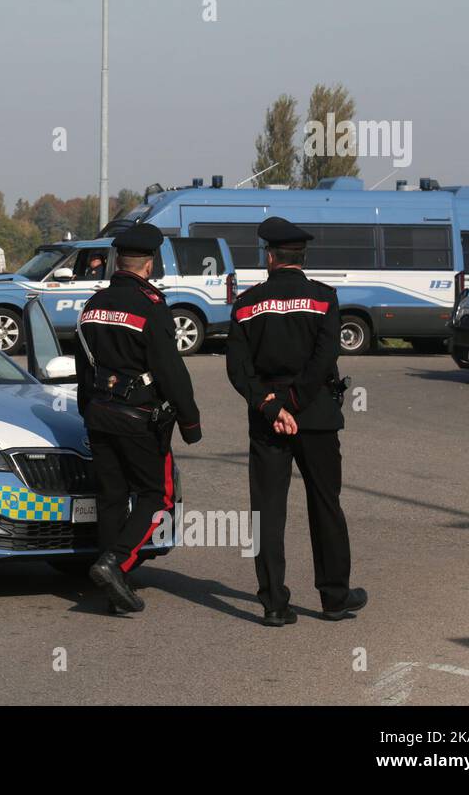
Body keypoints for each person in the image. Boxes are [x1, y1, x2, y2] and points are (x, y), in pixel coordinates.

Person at [224, 216, 367, 627]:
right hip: (316, 414)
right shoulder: (325, 298)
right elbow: (325, 358)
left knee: (267, 512)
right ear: (301, 257)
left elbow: (238, 368)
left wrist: (273, 408)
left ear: (269, 256)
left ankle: (273, 603)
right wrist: (296, 402)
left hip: (267, 417)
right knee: (326, 505)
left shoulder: (247, 304)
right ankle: (335, 598)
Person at [74, 223, 202, 615]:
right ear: (149, 263)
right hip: (140, 419)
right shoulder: (151, 305)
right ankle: (115, 564)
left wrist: (87, 409)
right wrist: (190, 422)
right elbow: (170, 370)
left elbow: (83, 366)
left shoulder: (93, 305)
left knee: (112, 498)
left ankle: (114, 587)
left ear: (118, 260)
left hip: (98, 414)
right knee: (157, 496)